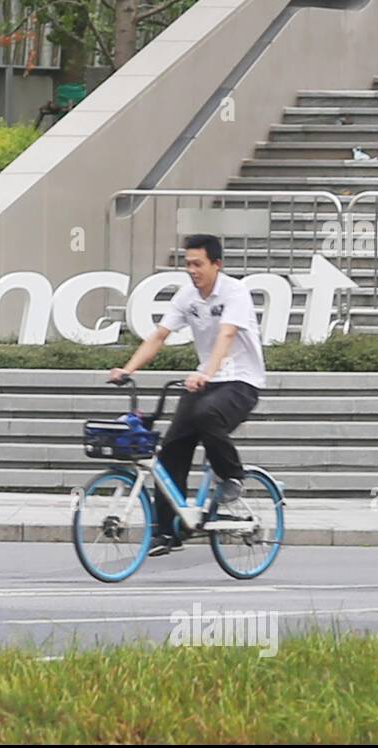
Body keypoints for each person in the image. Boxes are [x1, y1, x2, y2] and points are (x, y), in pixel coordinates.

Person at [109, 234, 266, 557]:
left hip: (241, 381)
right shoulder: (186, 297)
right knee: (168, 455)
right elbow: (159, 336)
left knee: (207, 415)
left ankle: (232, 477)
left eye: (198, 264)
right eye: (188, 264)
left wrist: (207, 372)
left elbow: (226, 334)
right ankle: (168, 532)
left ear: (216, 265)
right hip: (204, 381)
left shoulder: (235, 293)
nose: (192, 270)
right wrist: (127, 370)